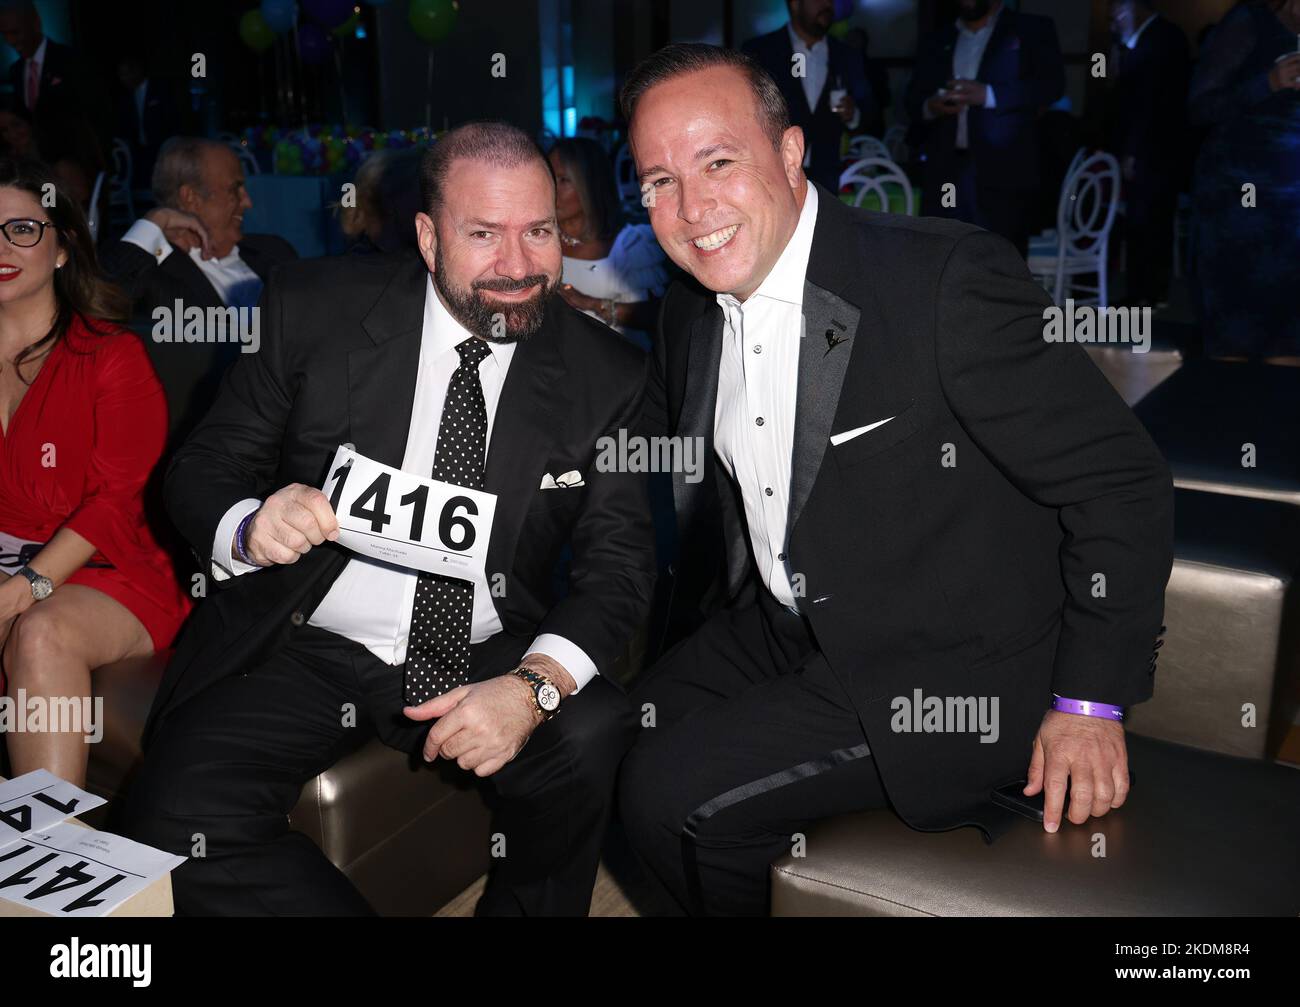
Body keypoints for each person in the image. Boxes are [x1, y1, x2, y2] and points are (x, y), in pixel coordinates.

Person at [615, 44, 1173, 916]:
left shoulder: (940, 283)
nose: (690, 208)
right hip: (785, 619)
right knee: (623, 733)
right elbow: (647, 445)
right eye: (658, 182)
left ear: (792, 153)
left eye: (718, 162)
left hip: (949, 667)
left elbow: (1123, 480)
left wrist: (1091, 701)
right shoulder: (691, 311)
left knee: (669, 799)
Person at [114, 122, 656, 916]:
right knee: (167, 820)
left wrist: (533, 689)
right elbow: (203, 465)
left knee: (589, 729)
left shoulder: (606, 373)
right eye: (483, 234)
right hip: (309, 631)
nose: (517, 265)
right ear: (429, 238)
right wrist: (248, 523)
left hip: (483, 641)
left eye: (537, 231)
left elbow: (622, 569)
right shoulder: (316, 307)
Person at [0, 157, 191, 788]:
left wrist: (23, 586)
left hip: (109, 568)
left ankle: (50, 855)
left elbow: (114, 501)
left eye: (22, 229)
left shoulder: (111, 357)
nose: (2, 246)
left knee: (39, 632)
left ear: (61, 249)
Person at [905, 0, 1065, 256]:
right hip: (946, 171)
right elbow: (912, 100)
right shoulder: (938, 39)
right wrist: (931, 106)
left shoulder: (1031, 29)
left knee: (1001, 266)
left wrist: (989, 95)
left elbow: (1052, 85)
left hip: (1004, 173)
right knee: (941, 259)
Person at [1188, 0, 1300, 363]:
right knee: (1238, 326)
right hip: (1240, 199)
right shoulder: (1250, 21)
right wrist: (1267, 83)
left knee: (1289, 328)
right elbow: (1199, 108)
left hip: (1292, 203)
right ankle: (1228, 412)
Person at [101, 136, 296, 320]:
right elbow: (104, 304)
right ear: (191, 198)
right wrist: (156, 220)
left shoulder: (274, 250)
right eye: (234, 189)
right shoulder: (155, 273)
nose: (247, 202)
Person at [1108, 0, 1191, 308]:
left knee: (1148, 222)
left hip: (1155, 150)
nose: (1114, 20)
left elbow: (1152, 103)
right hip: (1148, 148)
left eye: (1118, 11)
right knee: (1145, 222)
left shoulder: (1162, 39)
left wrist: (1132, 151)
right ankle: (1147, 291)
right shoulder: (1139, 42)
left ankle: (1147, 293)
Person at [549, 137, 668, 349]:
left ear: (590, 184)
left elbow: (660, 317)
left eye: (564, 180)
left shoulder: (631, 245)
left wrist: (591, 303)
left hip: (624, 367)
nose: (552, 189)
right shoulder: (539, 241)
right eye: (549, 177)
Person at [742, 0, 871, 193]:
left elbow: (871, 109)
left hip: (826, 176)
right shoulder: (760, 51)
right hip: (772, 172)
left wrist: (854, 115)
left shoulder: (846, 55)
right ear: (795, 4)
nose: (828, 5)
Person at [114, 54, 181, 193]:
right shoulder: (126, 97)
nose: (123, 79)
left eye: (126, 74)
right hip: (139, 149)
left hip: (162, 147)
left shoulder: (160, 90)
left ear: (137, 71)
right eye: (121, 75)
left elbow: (171, 119)